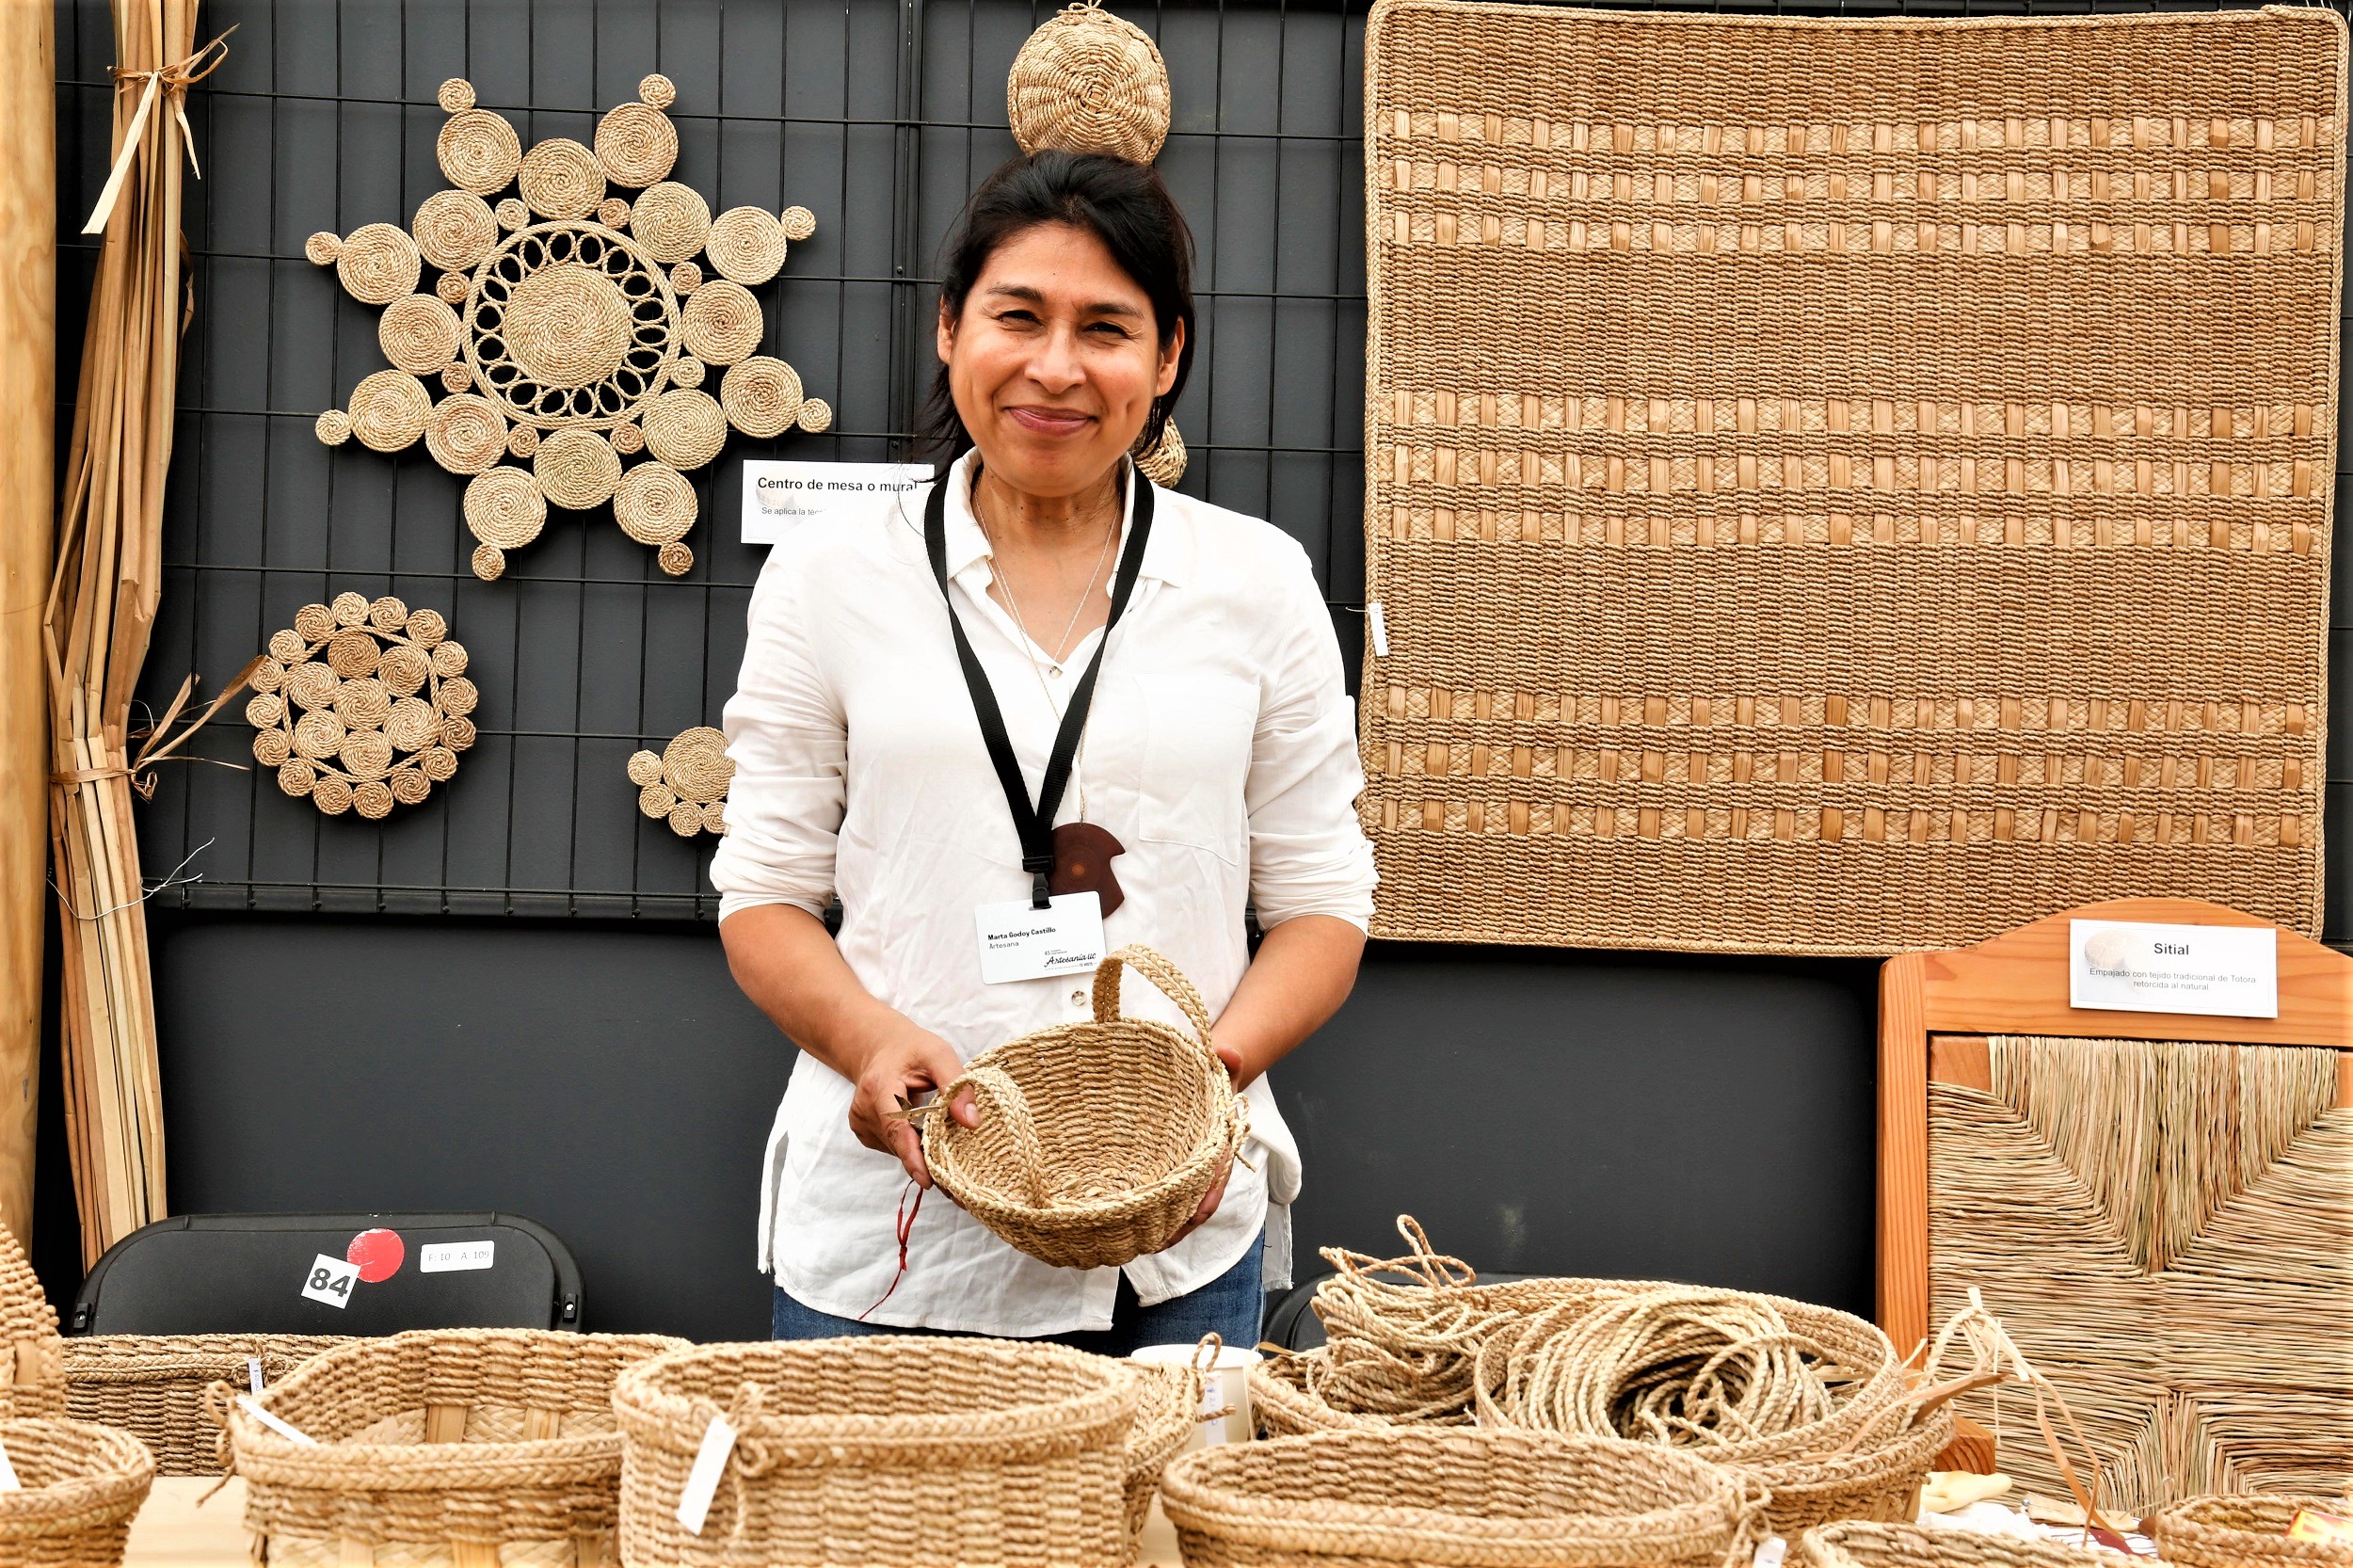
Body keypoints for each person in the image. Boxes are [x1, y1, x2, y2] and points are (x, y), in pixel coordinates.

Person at [712, 149, 1376, 1352]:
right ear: (949, 327)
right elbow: (762, 896)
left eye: (1107, 328)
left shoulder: (1255, 581)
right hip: (891, 1247)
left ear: (1166, 357)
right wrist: (868, 1044)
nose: (1056, 367)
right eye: (1018, 316)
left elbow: (1324, 905)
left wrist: (1194, 1085)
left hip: (1171, 1252)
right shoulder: (831, 579)